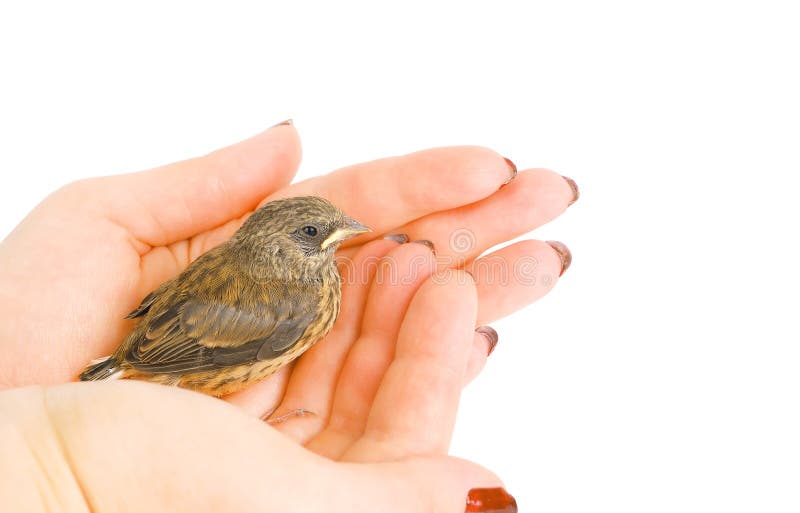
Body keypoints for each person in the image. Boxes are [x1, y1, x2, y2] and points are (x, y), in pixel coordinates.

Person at [0, 122, 576, 512]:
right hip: (172, 358)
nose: (341, 234)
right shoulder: (293, 304)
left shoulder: (277, 274)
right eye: (315, 234)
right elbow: (198, 346)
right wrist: (62, 442)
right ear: (282, 245)